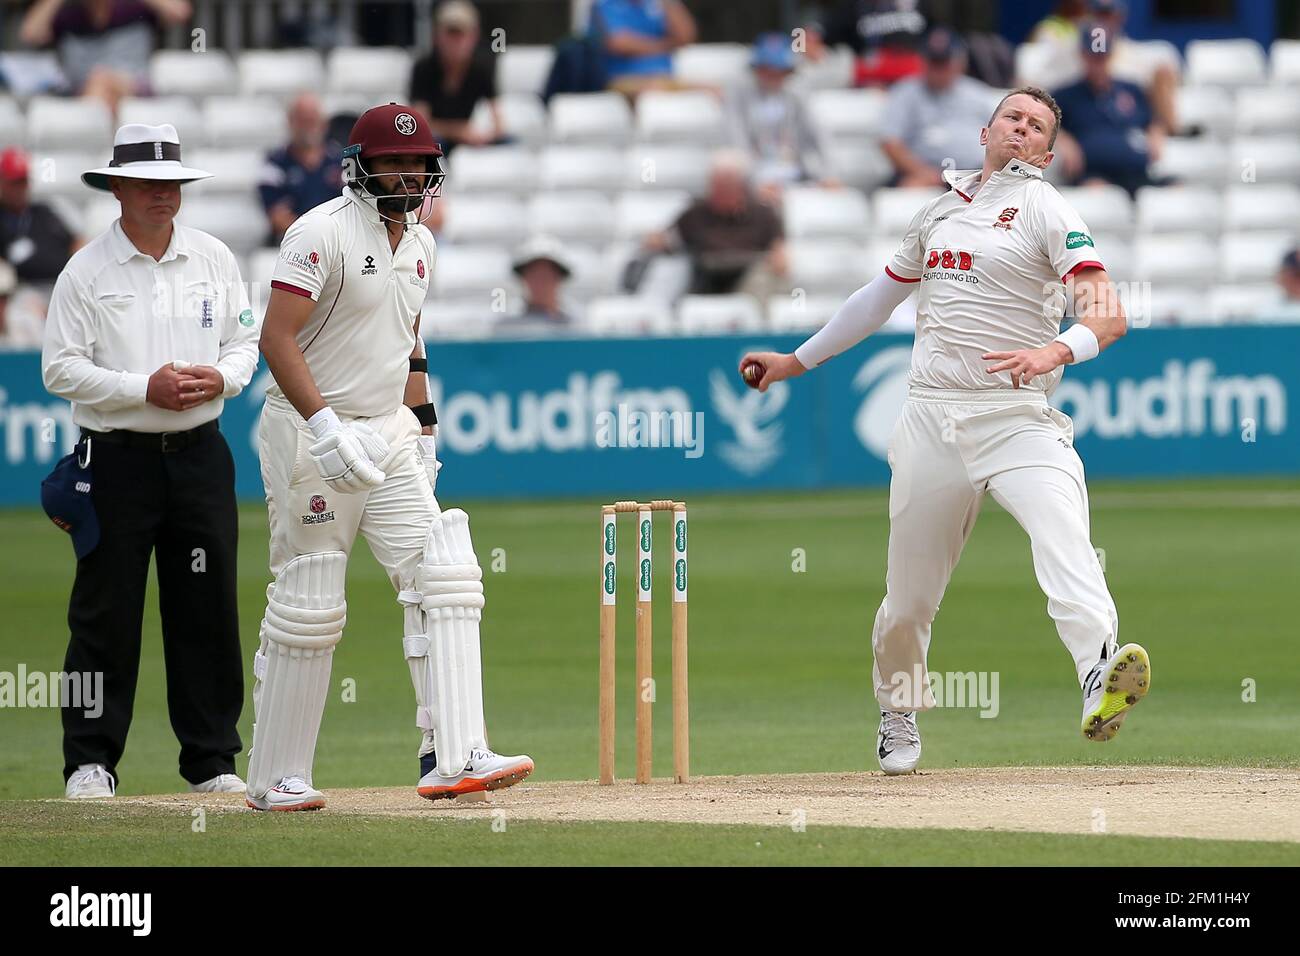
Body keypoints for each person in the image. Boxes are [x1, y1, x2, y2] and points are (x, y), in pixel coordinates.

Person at [740, 87, 1149, 774]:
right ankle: (898, 712)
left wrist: (1054, 351)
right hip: (932, 419)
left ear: (1045, 153)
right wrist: (795, 361)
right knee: (908, 601)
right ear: (986, 129)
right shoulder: (936, 213)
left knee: (1064, 538)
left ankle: (1097, 673)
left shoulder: (1047, 207)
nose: (1021, 129)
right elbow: (875, 300)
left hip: (1018, 417)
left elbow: (1109, 315)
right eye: (1012, 117)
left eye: (1036, 126)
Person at [251, 102, 533, 811]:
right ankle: (275, 777)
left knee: (444, 574)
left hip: (389, 430)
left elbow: (409, 339)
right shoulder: (318, 235)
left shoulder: (422, 242)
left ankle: (454, 752)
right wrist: (322, 427)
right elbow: (276, 339)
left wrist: (425, 426)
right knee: (310, 599)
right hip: (310, 436)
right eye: (392, 163)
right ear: (360, 167)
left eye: (417, 163)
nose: (407, 174)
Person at [41, 123, 258, 799]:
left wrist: (219, 380)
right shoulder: (86, 270)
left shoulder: (215, 259)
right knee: (105, 611)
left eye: (172, 184)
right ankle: (89, 761)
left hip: (199, 456)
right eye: (147, 183)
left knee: (207, 606)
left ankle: (213, 760)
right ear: (116, 188)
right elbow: (59, 369)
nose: (162, 195)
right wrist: (145, 389)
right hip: (115, 461)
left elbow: (245, 346)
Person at [644, 150, 787, 297]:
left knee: (763, 279)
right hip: (703, 282)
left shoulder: (763, 214)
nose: (718, 192)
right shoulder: (695, 214)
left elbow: (779, 249)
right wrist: (655, 240)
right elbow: (665, 239)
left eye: (726, 186)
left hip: (750, 281)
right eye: (715, 185)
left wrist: (779, 256)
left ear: (740, 187)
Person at [19, 0, 192, 112]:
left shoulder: (135, 8)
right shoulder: (68, 16)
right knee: (100, 83)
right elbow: (31, 34)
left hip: (134, 90)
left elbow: (180, 12)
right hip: (82, 93)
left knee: (102, 81)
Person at [1052, 25, 1161, 196]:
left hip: (1137, 173)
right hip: (1092, 174)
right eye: (1093, 57)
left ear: (1111, 56)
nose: (1098, 64)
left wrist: (1155, 136)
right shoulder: (1065, 95)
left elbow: (1151, 121)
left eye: (1103, 57)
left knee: (1177, 192)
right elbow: (1046, 125)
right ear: (1083, 56)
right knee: (1100, 196)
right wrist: (1063, 140)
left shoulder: (1131, 89)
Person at [880, 28, 995, 187]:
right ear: (923, 61)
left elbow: (998, 137)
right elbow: (890, 143)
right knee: (910, 189)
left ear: (960, 62)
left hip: (974, 174)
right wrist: (921, 171)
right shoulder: (905, 92)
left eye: (944, 63)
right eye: (934, 62)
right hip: (925, 173)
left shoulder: (978, 93)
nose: (938, 70)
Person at [727, 33, 836, 198]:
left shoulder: (797, 92)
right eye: (766, 68)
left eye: (778, 69)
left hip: (798, 177)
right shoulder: (739, 95)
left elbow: (820, 135)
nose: (773, 74)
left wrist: (829, 175)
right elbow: (737, 144)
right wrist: (756, 182)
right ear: (756, 68)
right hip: (754, 180)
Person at [409, 0, 502, 156]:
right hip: (437, 139)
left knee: (509, 144)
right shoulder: (424, 68)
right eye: (450, 33)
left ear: (474, 36)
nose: (456, 42)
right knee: (431, 144)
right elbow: (420, 125)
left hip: (467, 139)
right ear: (437, 36)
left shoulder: (481, 69)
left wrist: (483, 136)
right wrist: (460, 131)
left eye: (462, 34)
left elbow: (499, 123)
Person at [258, 94, 343, 246]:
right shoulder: (275, 164)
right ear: (290, 122)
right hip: (293, 246)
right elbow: (277, 218)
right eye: (303, 120)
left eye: (313, 119)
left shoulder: (341, 161)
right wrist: (317, 235)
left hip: (338, 244)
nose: (309, 126)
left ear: (324, 123)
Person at [0, 147, 81, 283]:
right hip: (20, 290)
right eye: (14, 183)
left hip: (61, 283)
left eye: (23, 182)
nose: (20, 189)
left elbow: (75, 241)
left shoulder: (43, 212)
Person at [805, 0, 927, 87]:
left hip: (917, 85)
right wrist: (805, 43)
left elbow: (936, 37)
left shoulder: (917, 5)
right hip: (871, 88)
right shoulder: (854, 7)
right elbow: (811, 34)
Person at [590, 0, 696, 97]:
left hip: (665, 78)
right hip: (623, 80)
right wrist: (666, 45)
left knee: (710, 92)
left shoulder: (655, 5)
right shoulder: (605, 4)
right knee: (656, 94)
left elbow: (686, 37)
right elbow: (619, 43)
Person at [494, 235, 578, 336]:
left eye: (547, 275)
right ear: (524, 278)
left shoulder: (577, 324)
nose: (540, 282)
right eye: (534, 275)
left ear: (559, 278)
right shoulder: (507, 326)